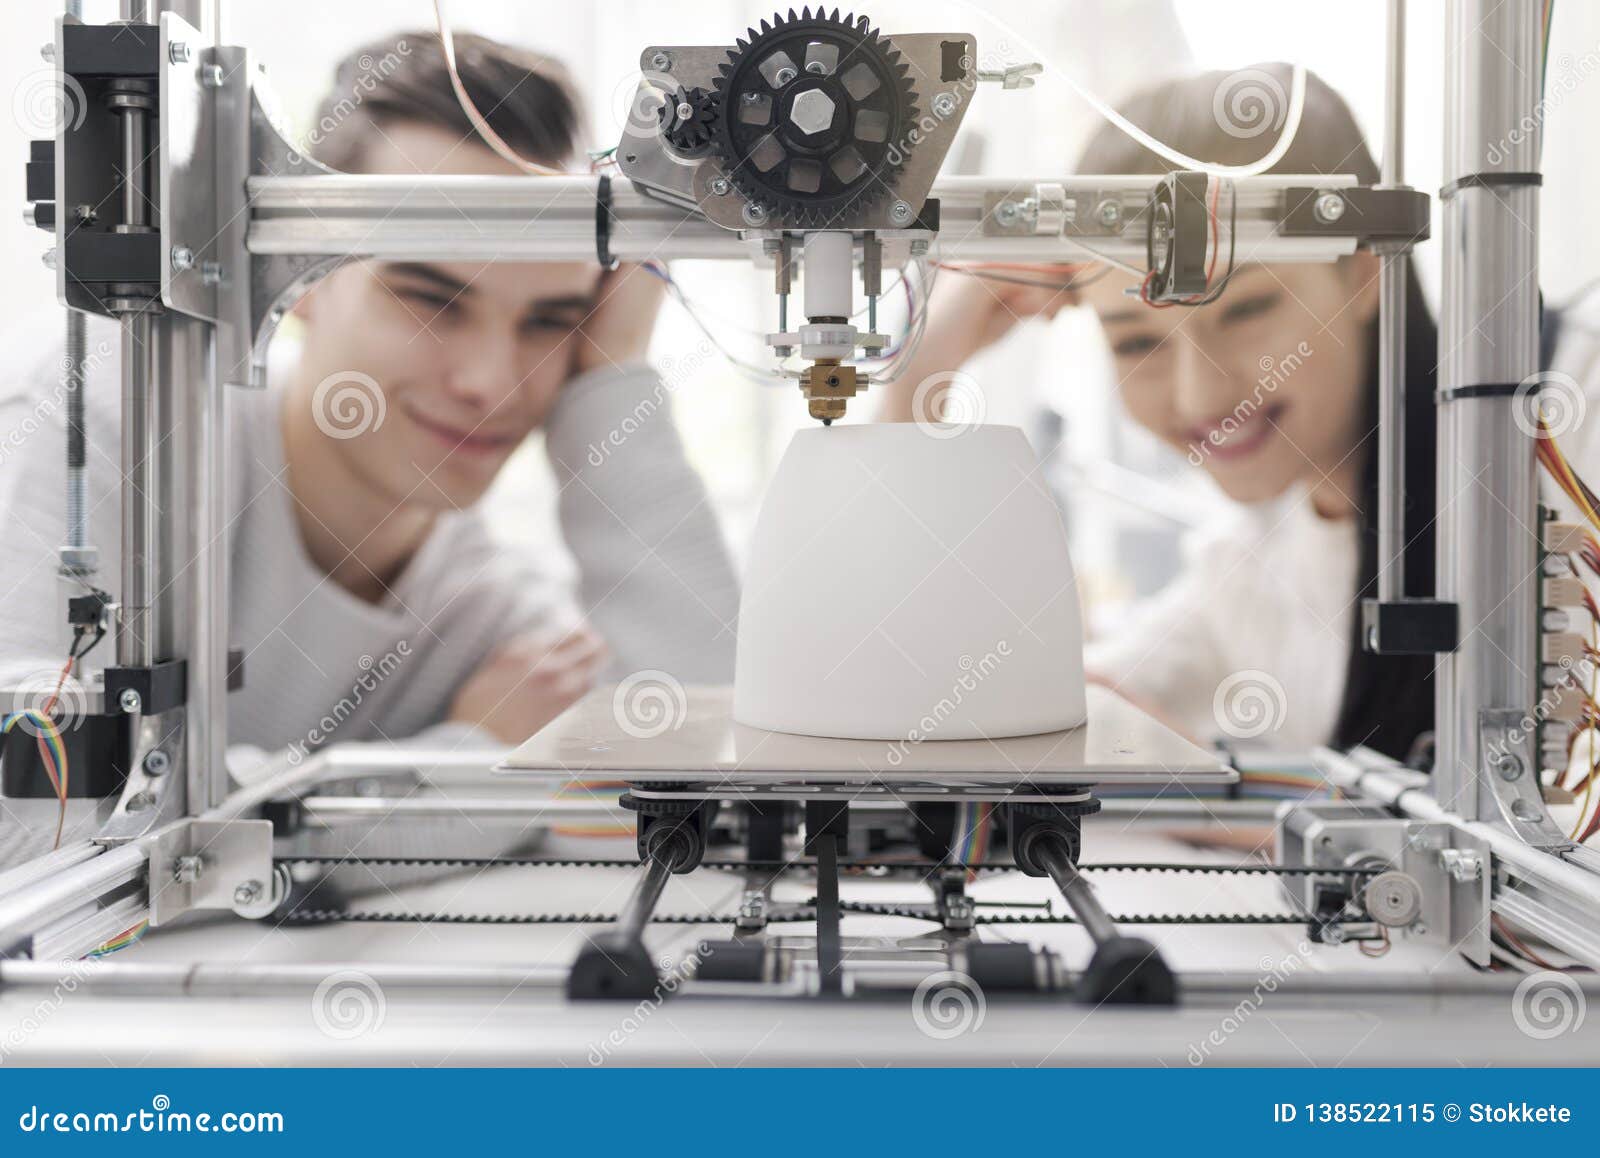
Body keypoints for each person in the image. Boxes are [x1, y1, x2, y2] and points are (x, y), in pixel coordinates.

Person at [0, 31, 737, 811]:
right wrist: (469, 760)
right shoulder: (120, 425)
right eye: (430, 299)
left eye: (549, 322)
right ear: (294, 278)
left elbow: (698, 745)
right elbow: (29, 808)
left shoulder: (488, 605)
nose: (491, 383)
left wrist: (614, 381)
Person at [881, 65, 1440, 761]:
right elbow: (974, 713)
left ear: (1365, 273)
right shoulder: (1249, 569)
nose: (1200, 398)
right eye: (1137, 342)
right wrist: (922, 372)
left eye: (1247, 310)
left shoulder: (1567, 423)